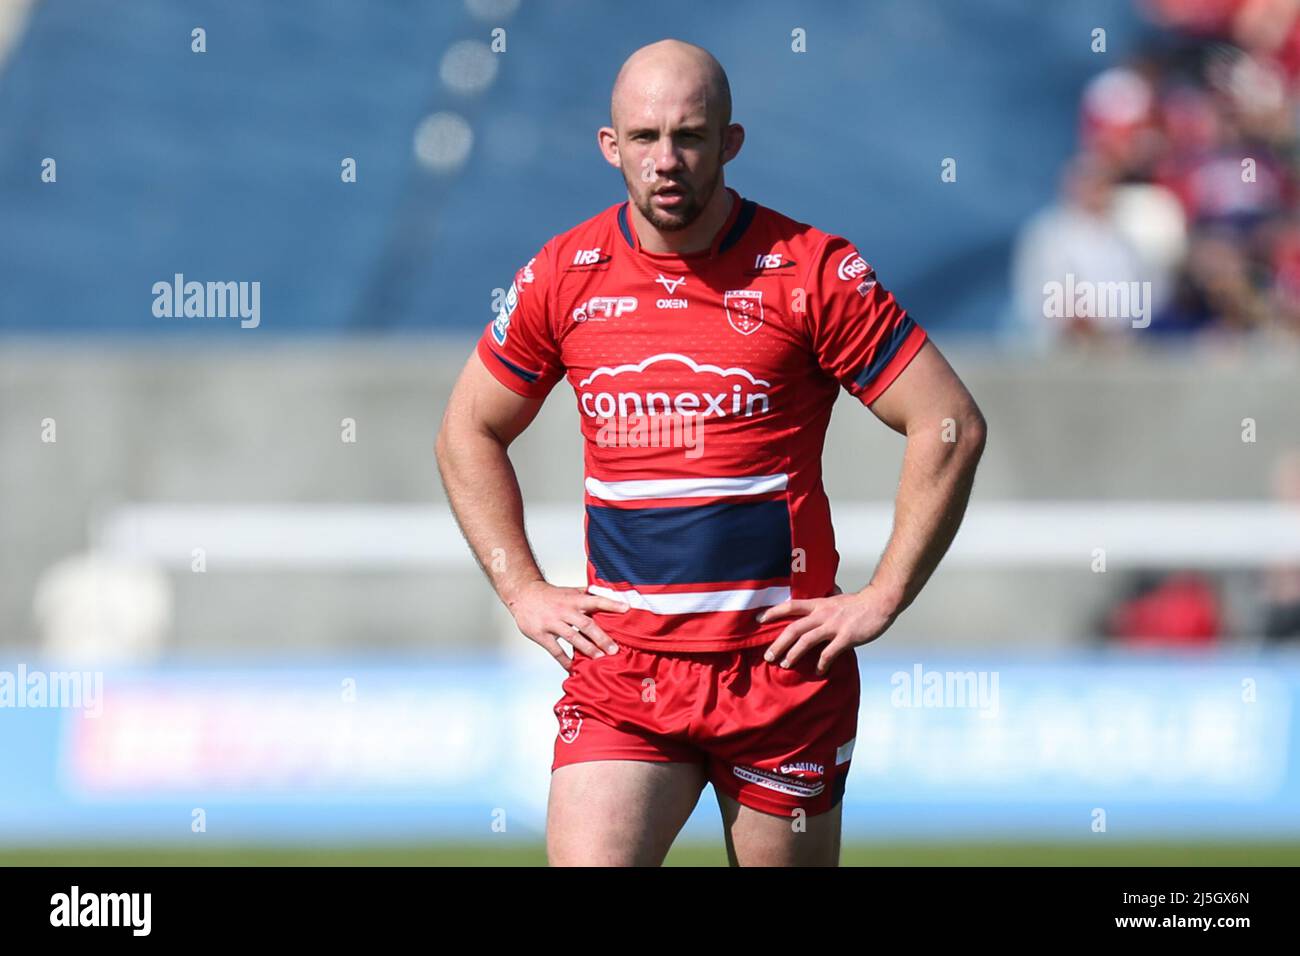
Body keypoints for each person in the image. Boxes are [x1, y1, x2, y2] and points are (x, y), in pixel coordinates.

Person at [436, 39, 986, 866]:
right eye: (645, 137)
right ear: (609, 146)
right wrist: (522, 589)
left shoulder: (812, 271)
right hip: (624, 673)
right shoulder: (564, 273)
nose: (666, 161)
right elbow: (466, 431)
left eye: (689, 137)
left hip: (780, 672)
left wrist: (884, 595)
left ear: (729, 142)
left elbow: (947, 423)